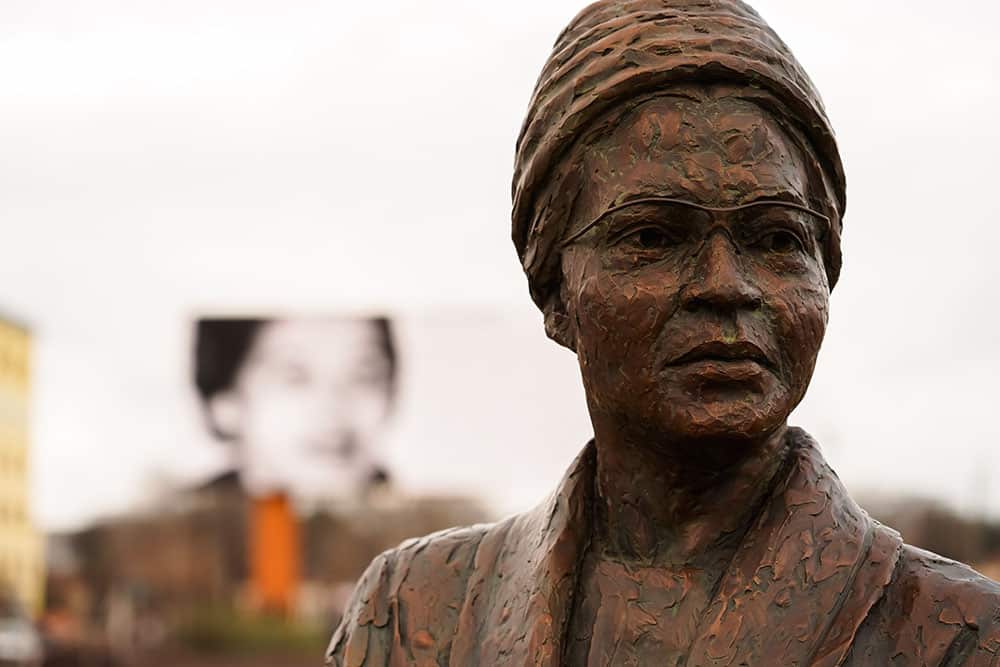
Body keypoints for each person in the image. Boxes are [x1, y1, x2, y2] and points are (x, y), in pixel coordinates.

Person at [326, 1, 1000, 665]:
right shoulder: (411, 611)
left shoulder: (962, 635)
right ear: (557, 293)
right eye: (652, 235)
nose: (726, 284)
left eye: (777, 237)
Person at [194, 316, 396, 503]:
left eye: (365, 376)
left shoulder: (417, 528)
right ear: (225, 402)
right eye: (295, 376)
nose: (333, 407)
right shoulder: (177, 531)